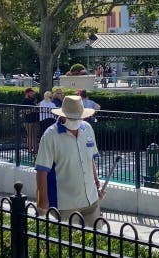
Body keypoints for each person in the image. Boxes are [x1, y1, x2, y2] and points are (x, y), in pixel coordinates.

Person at [35, 95, 104, 226]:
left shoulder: (88, 129)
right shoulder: (50, 136)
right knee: (70, 239)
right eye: (72, 117)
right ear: (62, 116)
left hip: (91, 200)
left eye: (78, 117)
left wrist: (97, 184)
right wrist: (42, 202)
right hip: (65, 205)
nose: (76, 121)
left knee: (97, 237)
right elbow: (41, 171)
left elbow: (90, 160)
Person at [22, 88, 39, 154]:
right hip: (28, 121)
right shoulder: (25, 101)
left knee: (35, 135)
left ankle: (35, 150)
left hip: (35, 119)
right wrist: (34, 108)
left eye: (33, 93)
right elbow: (25, 112)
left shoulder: (34, 100)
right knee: (29, 135)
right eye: (31, 93)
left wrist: (36, 107)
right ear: (27, 93)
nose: (32, 94)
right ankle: (29, 150)